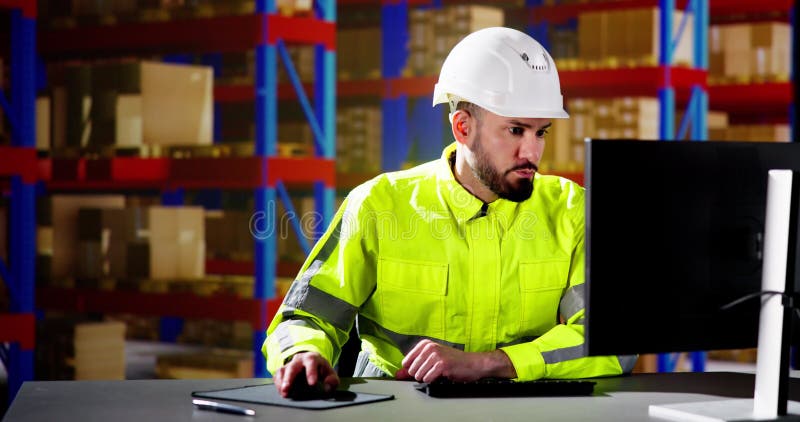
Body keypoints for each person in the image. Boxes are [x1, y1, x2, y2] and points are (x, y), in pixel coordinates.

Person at [263, 26, 636, 397]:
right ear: (463, 127)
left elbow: (612, 343)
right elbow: (305, 316)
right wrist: (302, 352)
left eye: (541, 133)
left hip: (520, 409)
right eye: (516, 130)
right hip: (394, 410)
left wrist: (494, 362)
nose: (532, 153)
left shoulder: (571, 211)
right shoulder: (380, 205)